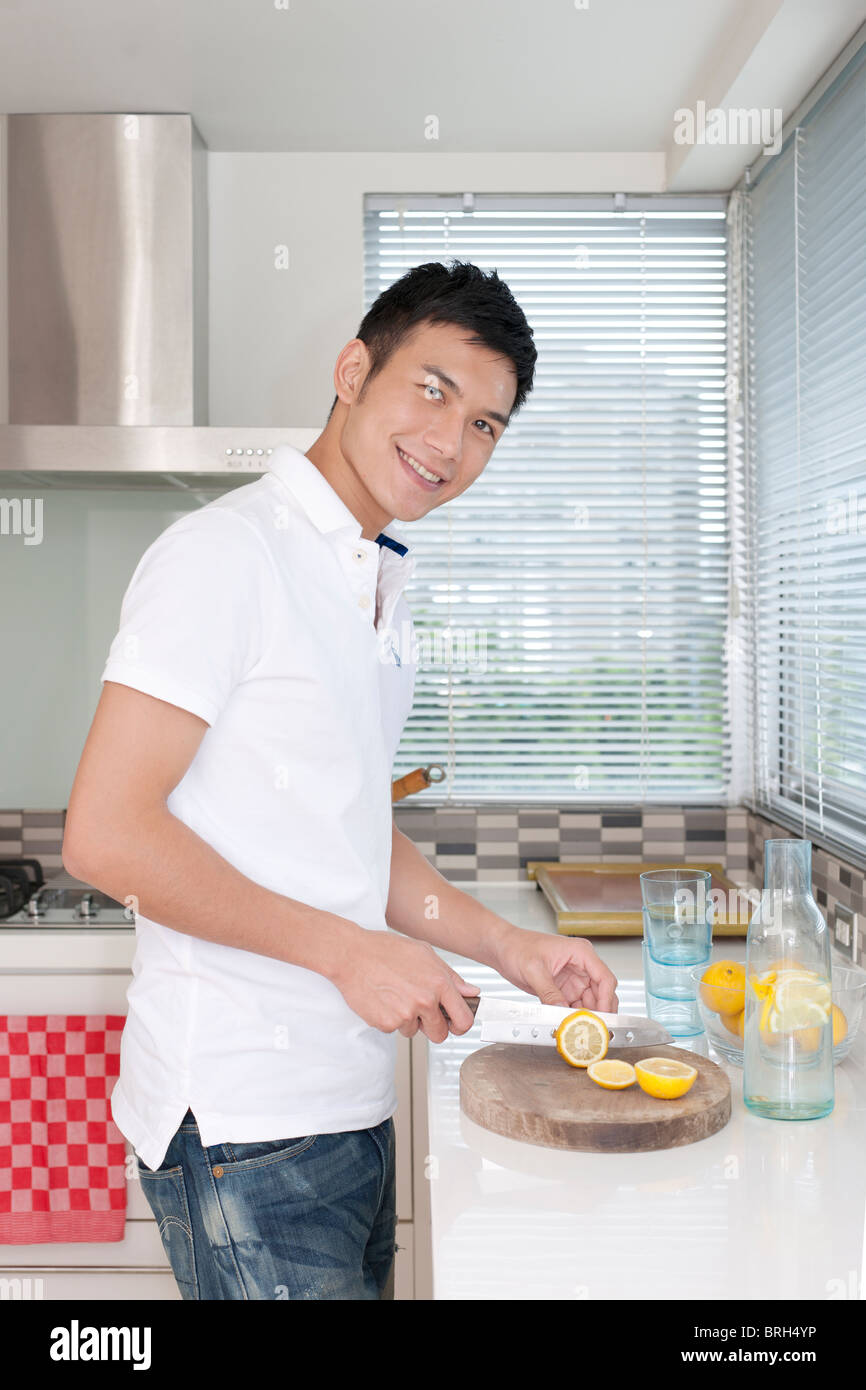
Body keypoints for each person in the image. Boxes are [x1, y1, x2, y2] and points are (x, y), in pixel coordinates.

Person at [63, 259, 619, 1301]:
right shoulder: (226, 555)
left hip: (345, 1108)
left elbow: (351, 834)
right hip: (241, 1125)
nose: (451, 443)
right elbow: (104, 835)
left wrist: (507, 946)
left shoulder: (374, 584)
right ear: (353, 368)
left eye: (487, 425)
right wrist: (348, 953)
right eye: (433, 389)